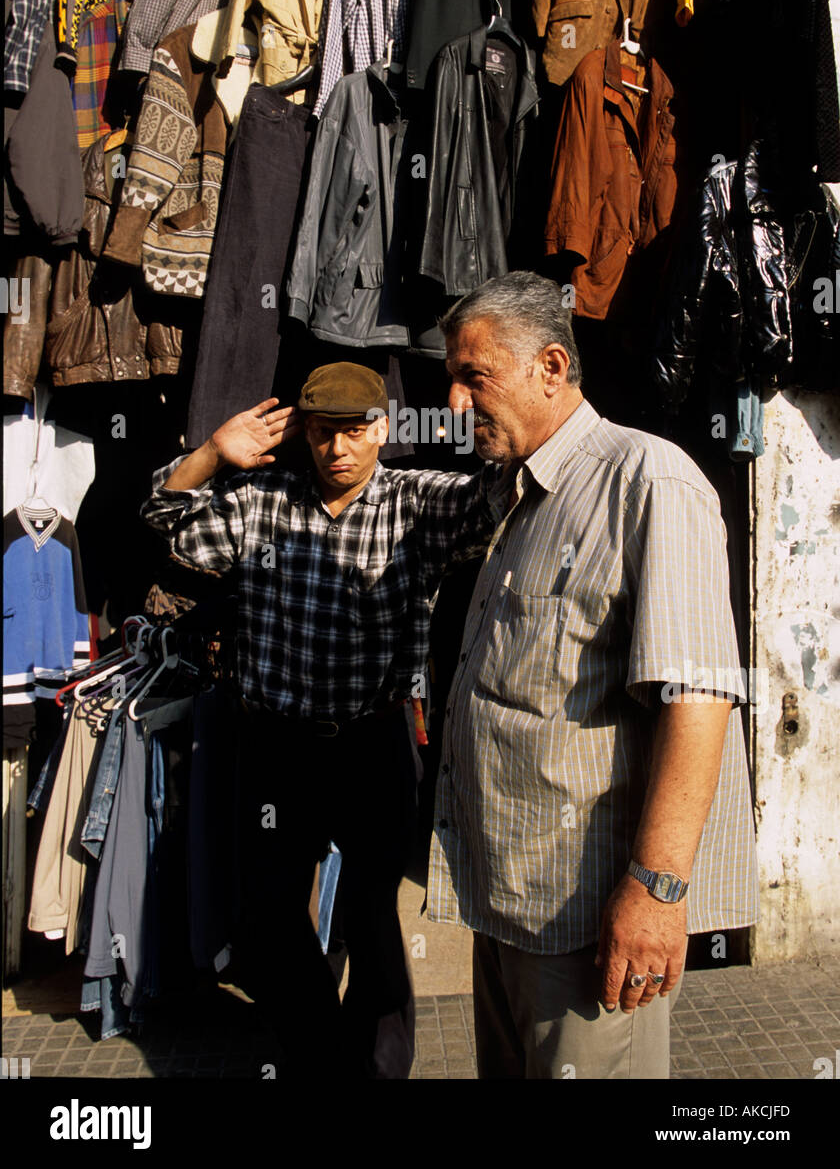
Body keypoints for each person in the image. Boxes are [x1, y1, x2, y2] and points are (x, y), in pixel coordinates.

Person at [424, 271, 760, 1080]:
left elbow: (698, 699)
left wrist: (656, 894)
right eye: (453, 381)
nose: (457, 404)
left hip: (594, 925)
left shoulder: (649, 480)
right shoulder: (518, 494)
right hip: (511, 900)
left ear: (550, 366)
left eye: (477, 377)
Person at [140, 361, 499, 1079]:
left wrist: (489, 404)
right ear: (304, 432)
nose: (338, 449)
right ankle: (320, 1056)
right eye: (323, 432)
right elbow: (167, 522)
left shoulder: (413, 503)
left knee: (372, 915)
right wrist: (211, 453)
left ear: (383, 430)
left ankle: (378, 1066)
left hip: (373, 742)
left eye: (355, 431)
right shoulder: (261, 500)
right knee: (271, 914)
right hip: (276, 744)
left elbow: (500, 498)